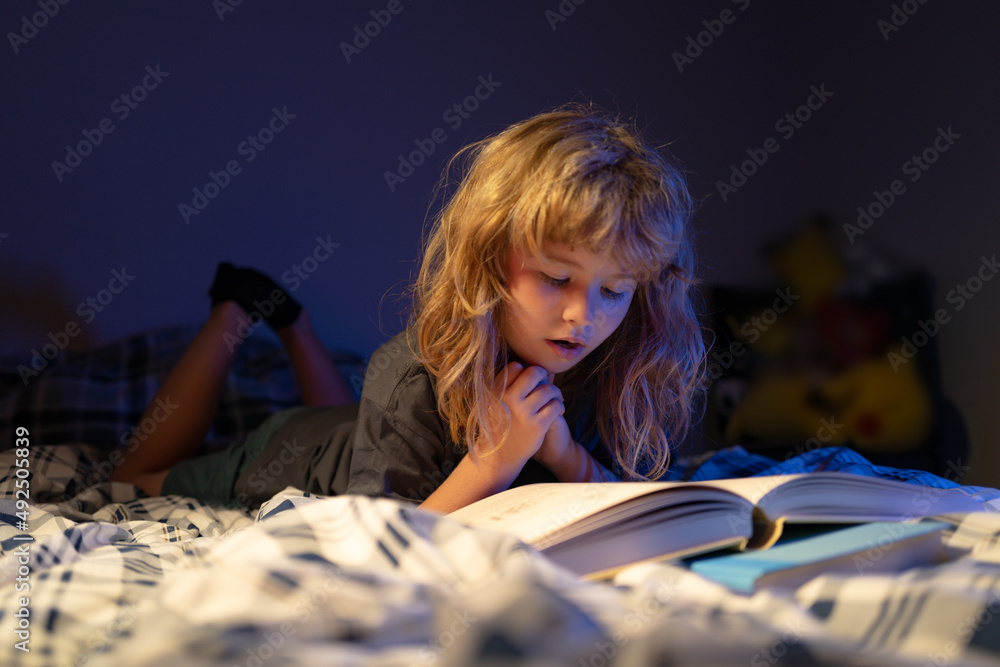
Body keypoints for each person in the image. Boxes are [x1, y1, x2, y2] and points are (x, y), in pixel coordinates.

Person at [110, 104, 707, 513]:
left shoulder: (617, 367)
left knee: (355, 420)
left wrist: (563, 454)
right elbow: (387, 541)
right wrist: (493, 461)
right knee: (130, 480)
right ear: (487, 258)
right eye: (556, 277)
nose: (586, 316)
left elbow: (624, 496)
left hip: (361, 433)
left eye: (616, 290)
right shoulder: (408, 373)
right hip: (292, 457)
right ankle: (237, 308)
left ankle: (295, 327)